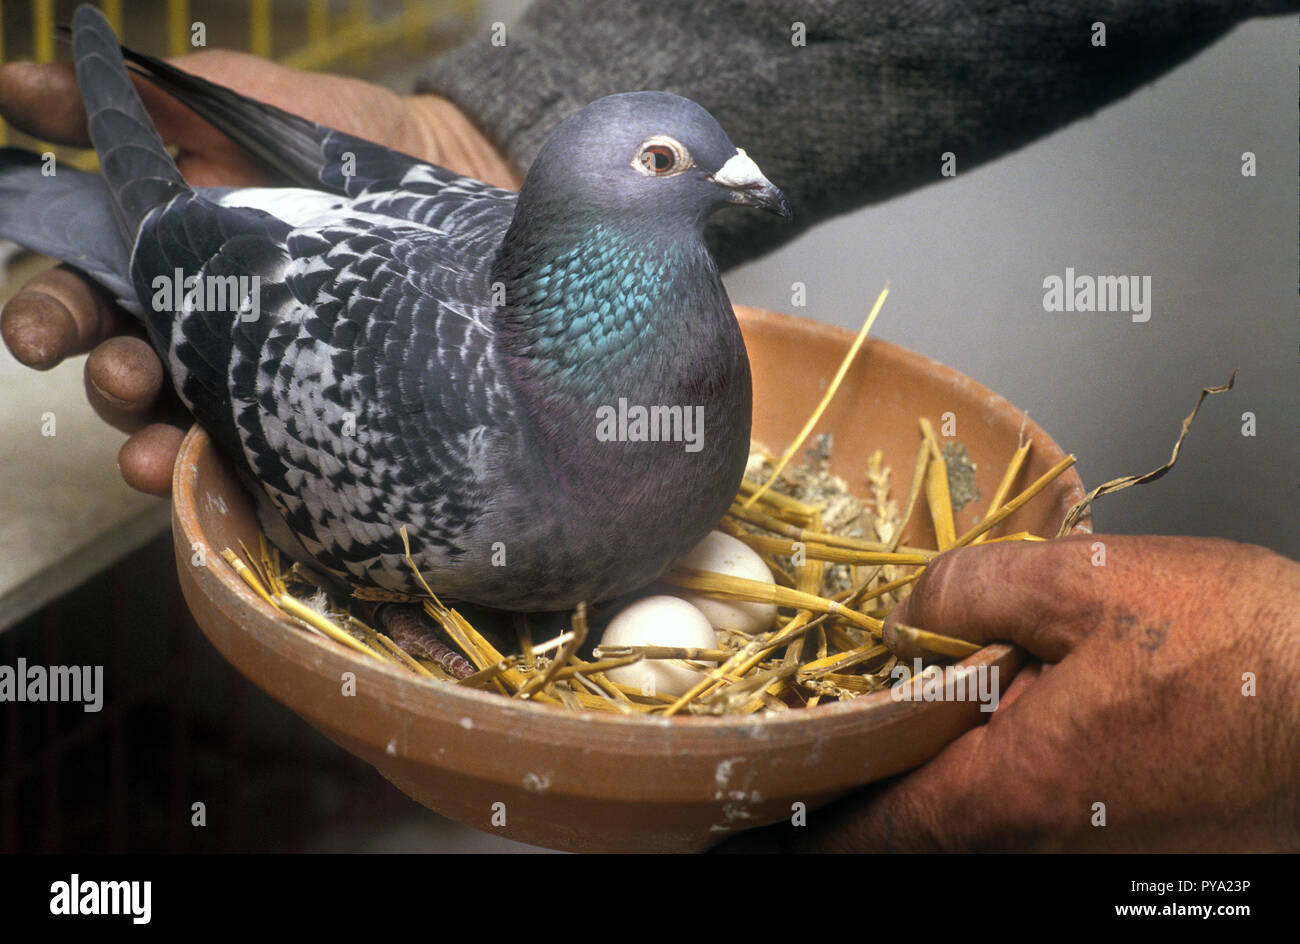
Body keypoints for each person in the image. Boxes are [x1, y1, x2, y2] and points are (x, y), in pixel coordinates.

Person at [1, 1, 1295, 851]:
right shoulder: (472, 462)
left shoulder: (642, 327)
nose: (734, 179)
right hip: (283, 281)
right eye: (678, 166)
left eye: (702, 161)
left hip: (397, 233)